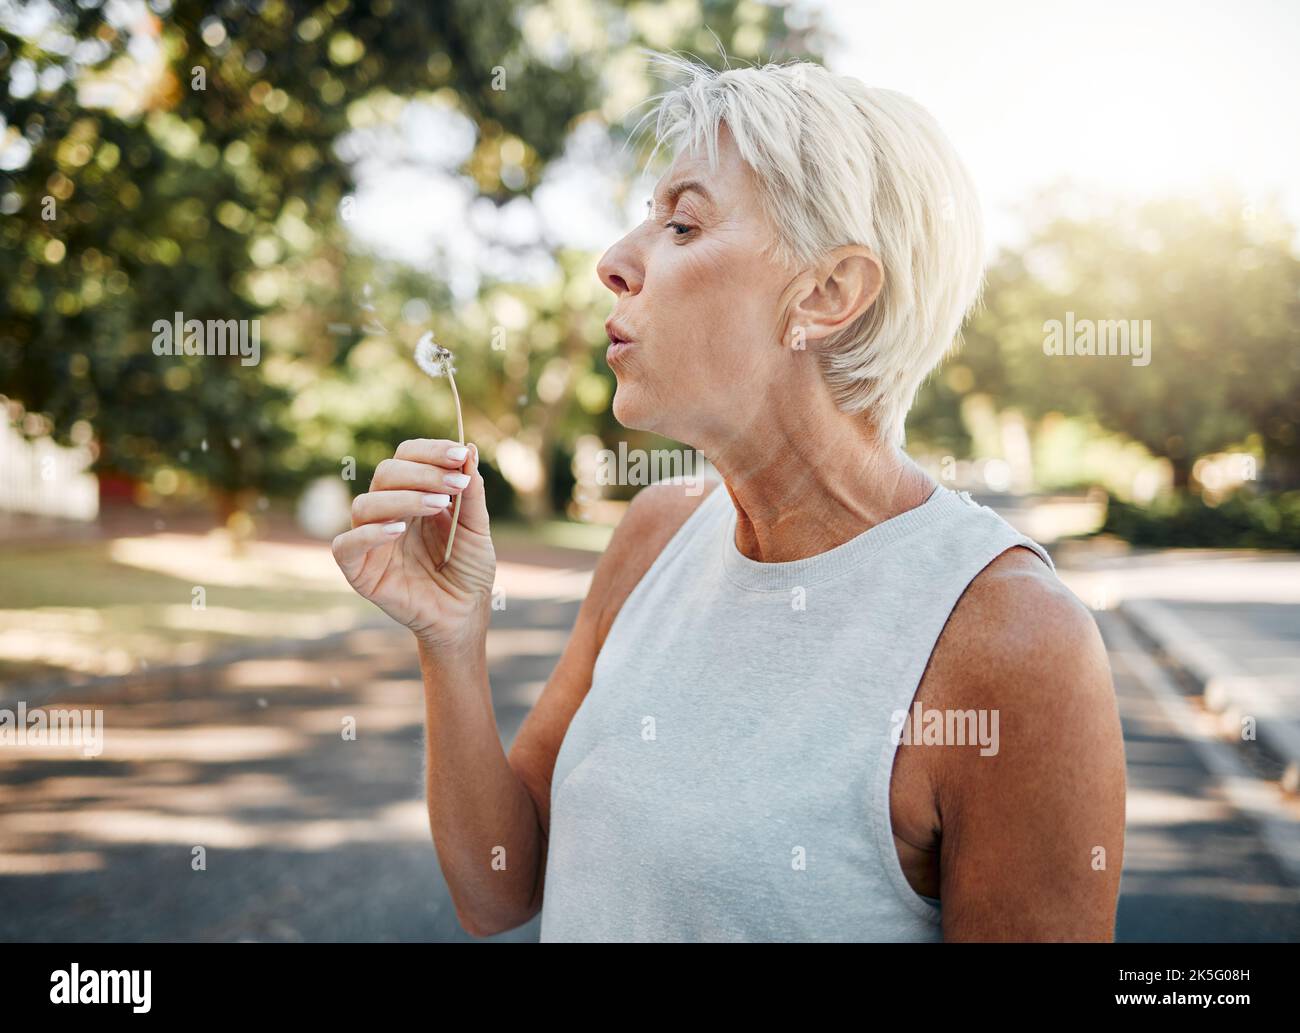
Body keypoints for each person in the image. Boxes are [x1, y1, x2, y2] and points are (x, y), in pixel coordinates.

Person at [330, 54, 1126, 942]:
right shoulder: (656, 532)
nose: (614, 263)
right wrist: (450, 639)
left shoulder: (1014, 641)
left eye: (682, 224)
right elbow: (500, 890)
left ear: (825, 295)